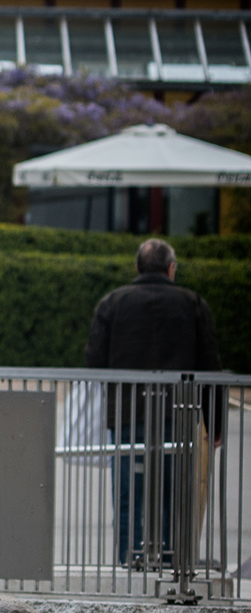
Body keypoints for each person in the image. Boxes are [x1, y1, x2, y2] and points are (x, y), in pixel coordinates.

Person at [85, 238, 223, 569]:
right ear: (171, 268)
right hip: (178, 414)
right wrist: (214, 426)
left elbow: (93, 362)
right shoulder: (193, 304)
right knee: (172, 492)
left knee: (129, 492)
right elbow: (210, 366)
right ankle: (169, 558)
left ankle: (131, 558)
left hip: (128, 414)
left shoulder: (113, 303)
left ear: (137, 267)